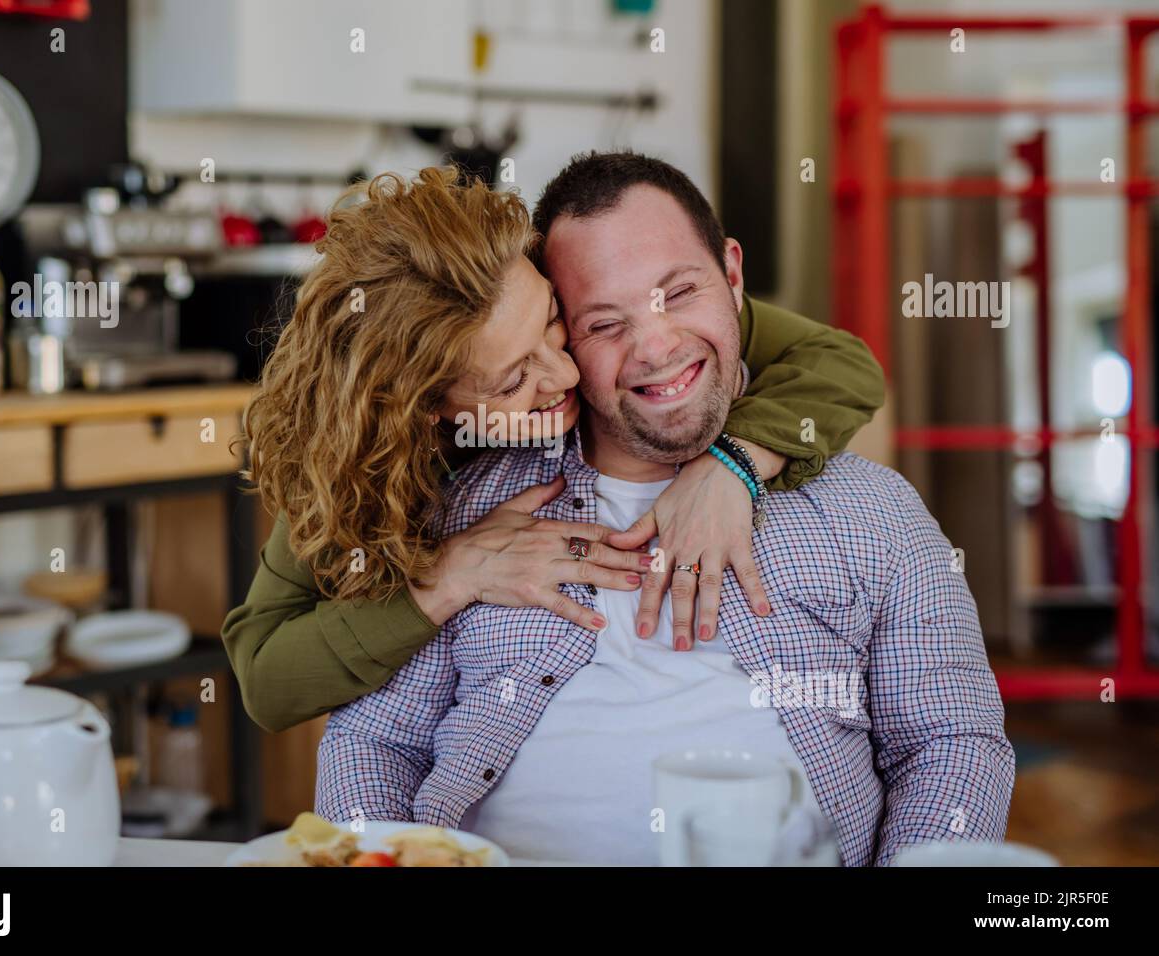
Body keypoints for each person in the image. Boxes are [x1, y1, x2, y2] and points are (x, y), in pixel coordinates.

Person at [314, 152, 1014, 866]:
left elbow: (953, 742)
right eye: (603, 325)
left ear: (733, 275)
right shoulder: (468, 509)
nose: (655, 347)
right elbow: (374, 742)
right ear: (558, 332)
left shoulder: (873, 512)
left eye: (678, 293)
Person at [223, 164, 884, 732]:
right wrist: (450, 577)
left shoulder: (580, 291)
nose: (564, 376)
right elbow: (266, 677)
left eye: (553, 323)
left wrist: (732, 465)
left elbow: (838, 359)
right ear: (424, 410)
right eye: (515, 380)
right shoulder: (366, 451)